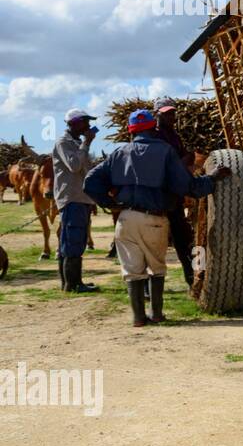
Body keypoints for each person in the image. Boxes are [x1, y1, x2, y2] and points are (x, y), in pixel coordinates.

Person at [84, 109, 231, 327]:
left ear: (131, 131)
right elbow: (188, 186)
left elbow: (90, 182)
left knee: (132, 270)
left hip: (125, 220)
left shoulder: (119, 153)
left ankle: (138, 318)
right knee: (156, 267)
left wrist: (110, 203)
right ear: (154, 128)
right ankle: (157, 314)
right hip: (154, 219)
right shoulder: (166, 152)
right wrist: (212, 178)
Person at [52, 108, 99, 293]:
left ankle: (71, 283)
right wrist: (86, 143)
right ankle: (73, 284)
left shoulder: (75, 142)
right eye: (85, 122)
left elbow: (87, 171)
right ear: (74, 123)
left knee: (73, 241)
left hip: (81, 198)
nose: (88, 126)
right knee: (73, 241)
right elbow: (74, 166)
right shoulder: (64, 142)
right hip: (72, 198)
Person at [153, 100, 197, 289]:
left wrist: (188, 157)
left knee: (184, 239)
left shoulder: (174, 135)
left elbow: (183, 157)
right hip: (158, 197)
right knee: (154, 242)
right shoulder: (153, 136)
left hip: (175, 197)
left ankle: (192, 279)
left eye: (172, 113)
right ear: (157, 114)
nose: (171, 117)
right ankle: (150, 288)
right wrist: (182, 160)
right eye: (166, 113)